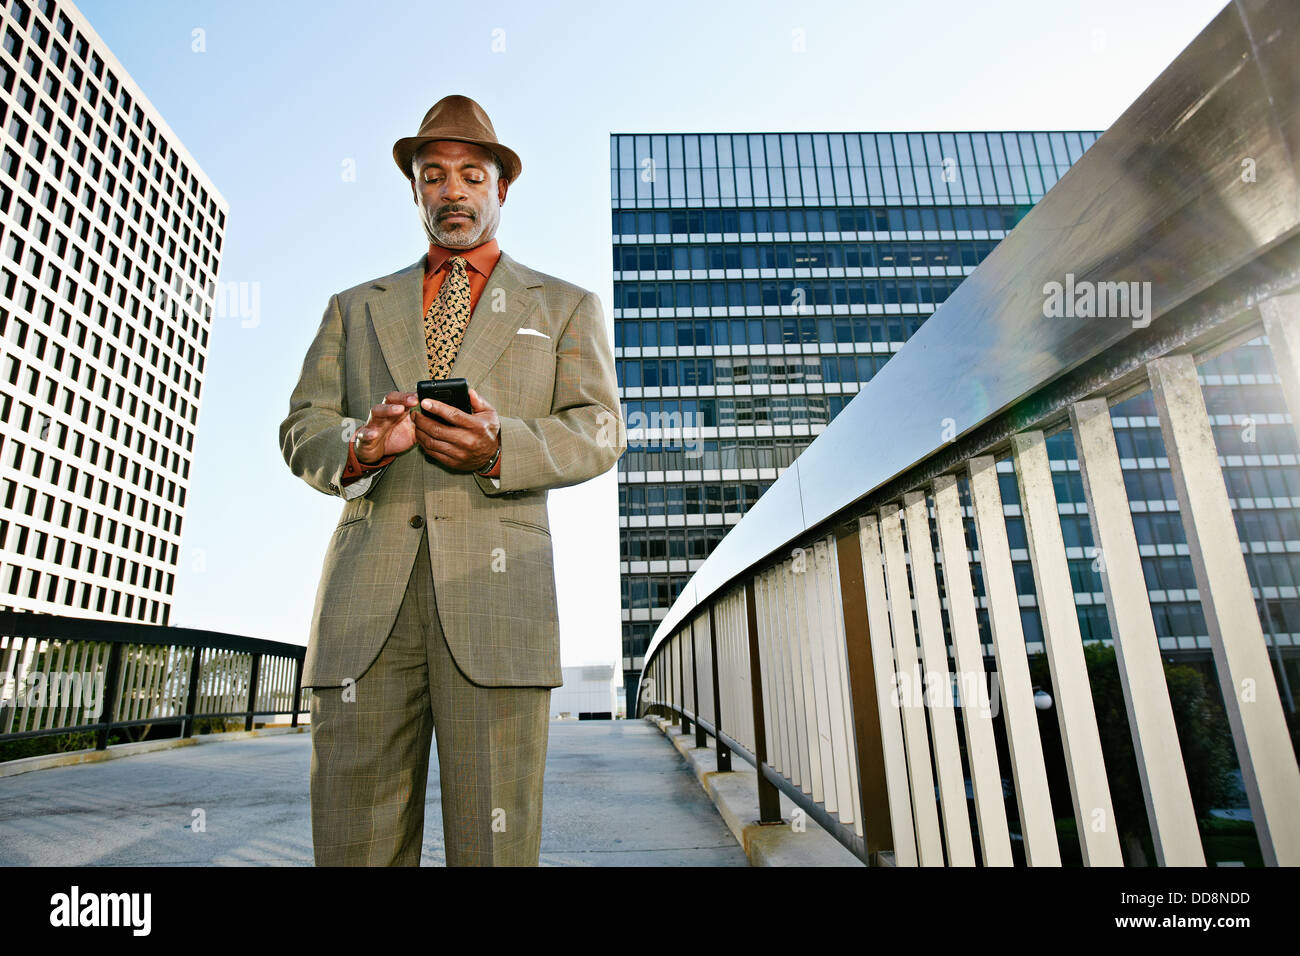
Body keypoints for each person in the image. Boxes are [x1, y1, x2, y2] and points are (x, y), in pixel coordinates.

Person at [278, 94, 625, 866]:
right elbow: (302, 425)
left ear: (502, 188)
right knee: (353, 843)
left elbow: (600, 431)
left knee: (494, 847)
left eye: (472, 174)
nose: (453, 191)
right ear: (415, 191)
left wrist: (502, 445)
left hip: (498, 602)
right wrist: (362, 446)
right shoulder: (353, 308)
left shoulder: (565, 307)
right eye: (433, 176)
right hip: (367, 608)